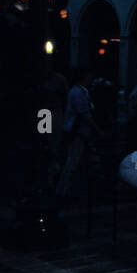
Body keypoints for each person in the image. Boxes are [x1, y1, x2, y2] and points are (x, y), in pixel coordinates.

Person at [56, 67, 106, 196]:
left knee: (79, 159)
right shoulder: (78, 92)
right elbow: (84, 114)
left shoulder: (81, 91)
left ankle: (71, 189)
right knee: (73, 160)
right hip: (77, 131)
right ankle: (63, 190)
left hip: (80, 130)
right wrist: (98, 129)